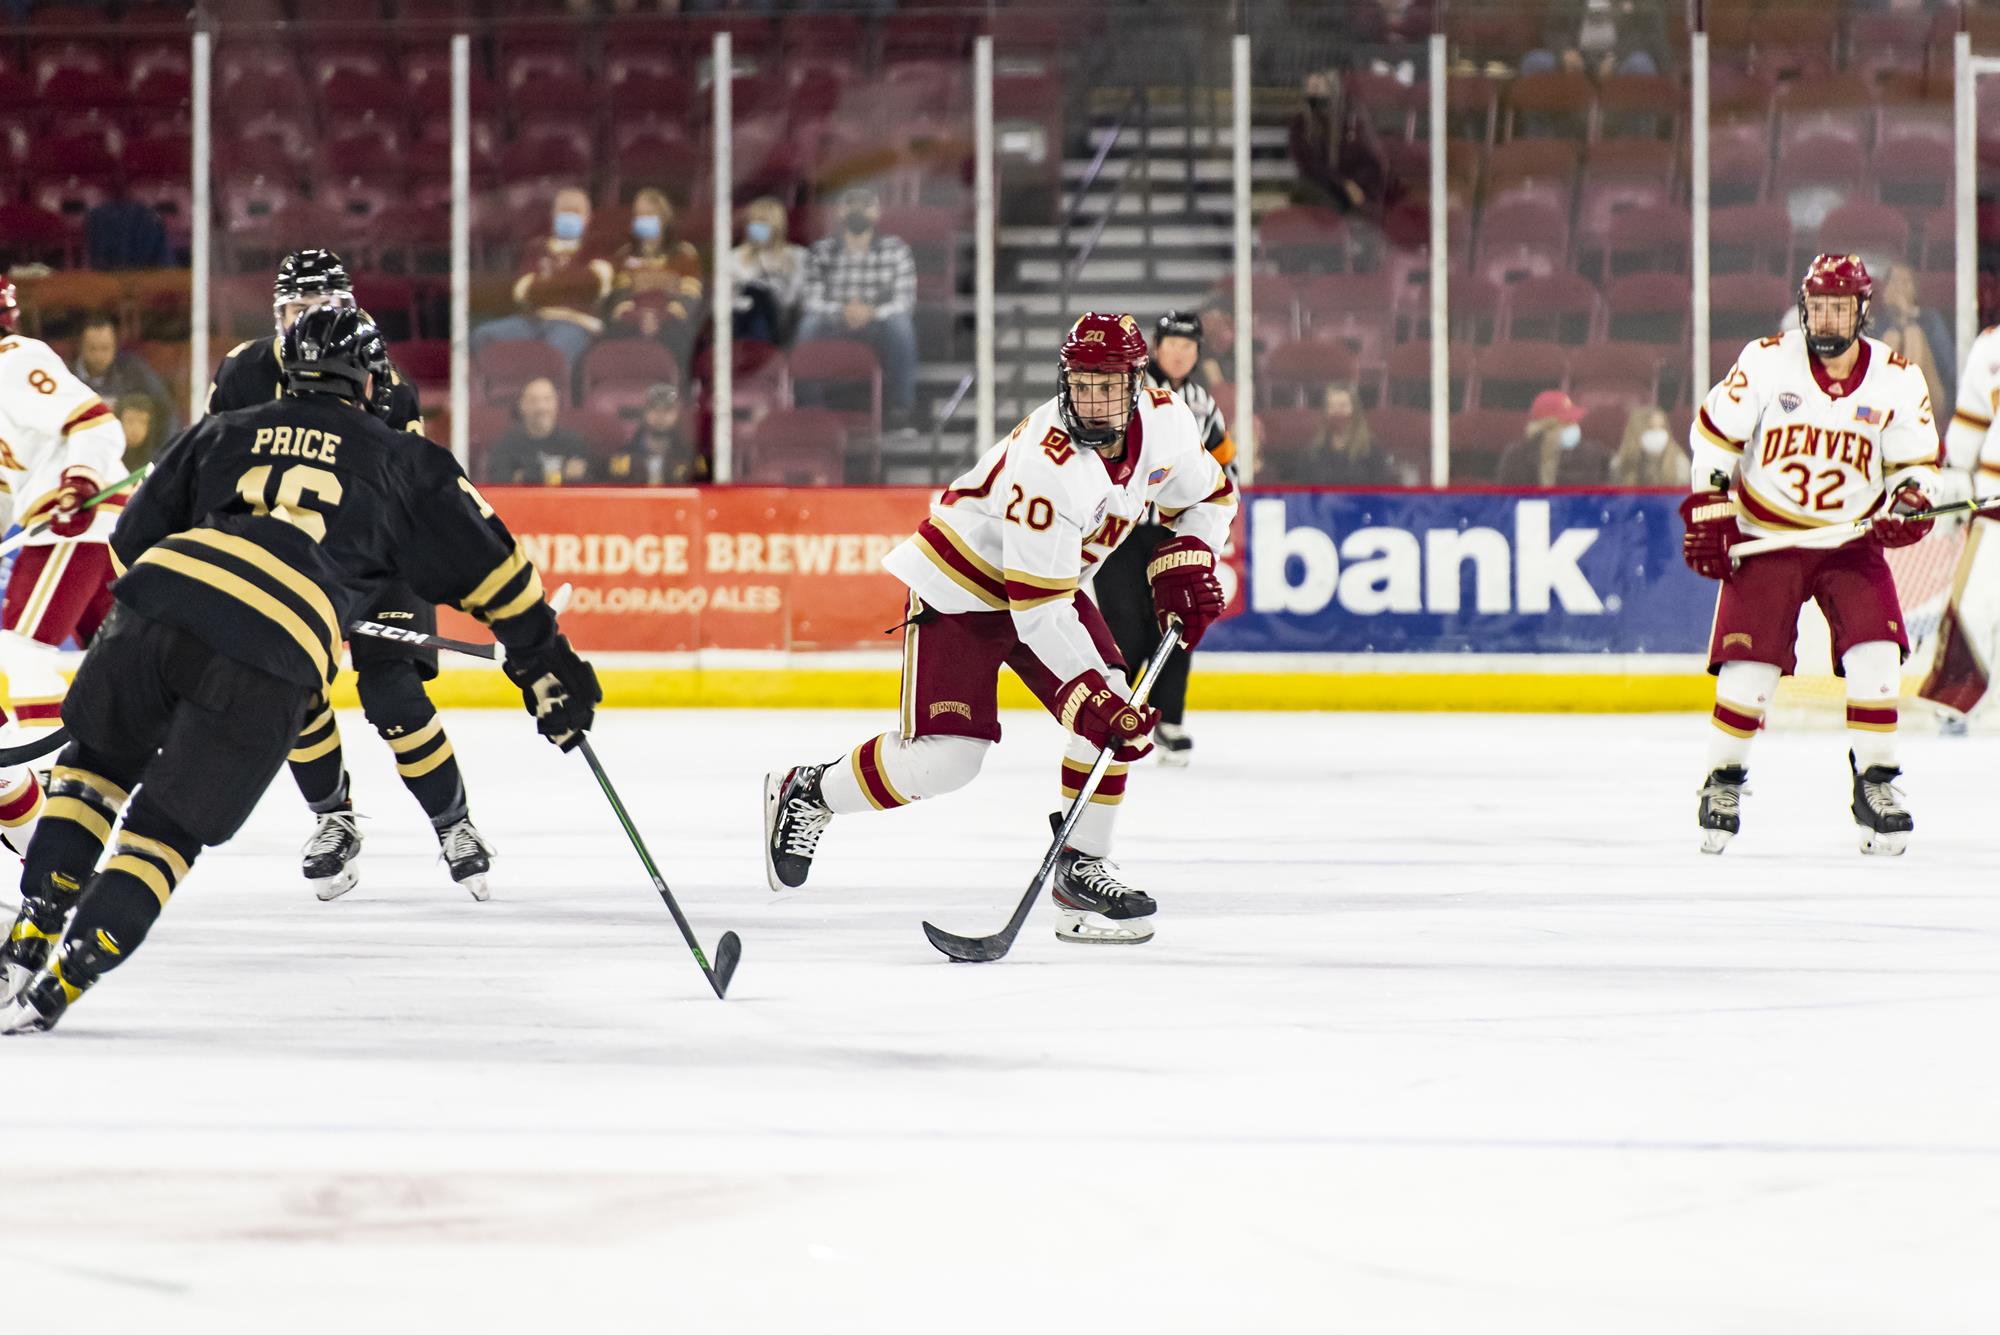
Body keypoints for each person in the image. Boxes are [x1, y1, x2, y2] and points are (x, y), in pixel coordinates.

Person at [0, 307, 600, 1032]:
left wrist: (173, 624)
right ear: (370, 381)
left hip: (157, 610)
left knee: (92, 772)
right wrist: (546, 662)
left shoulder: (225, 427)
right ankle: (63, 983)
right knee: (163, 834)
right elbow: (501, 574)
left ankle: (29, 932)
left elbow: (130, 540)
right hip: (272, 651)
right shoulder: (405, 459)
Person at [761, 313, 1235, 946]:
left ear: (1136, 383)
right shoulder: (1048, 465)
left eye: (1107, 385)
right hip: (963, 587)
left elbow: (1212, 496)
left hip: (1049, 585)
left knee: (1113, 710)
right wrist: (1091, 694)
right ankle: (809, 791)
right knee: (949, 761)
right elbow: (1037, 614)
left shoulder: (1169, 423)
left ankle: (1081, 871)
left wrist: (1189, 556)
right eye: (1081, 384)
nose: (1092, 400)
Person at [209, 250, 498, 902]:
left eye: (323, 307)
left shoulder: (382, 380)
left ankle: (454, 824)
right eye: (297, 308)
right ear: (278, 313)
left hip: (381, 559)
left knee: (394, 695)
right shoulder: (244, 373)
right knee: (291, 688)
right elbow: (213, 473)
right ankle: (332, 819)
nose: (308, 321)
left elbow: (407, 498)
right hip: (290, 560)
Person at [1681, 253, 1940, 856]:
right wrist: (1712, 503)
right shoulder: (1767, 361)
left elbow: (1919, 465)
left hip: (1850, 542)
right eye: (1817, 306)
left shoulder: (1898, 378)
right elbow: (1714, 437)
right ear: (1804, 306)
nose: (1825, 319)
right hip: (1767, 536)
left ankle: (1875, 783)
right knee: (1749, 673)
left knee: (1877, 657)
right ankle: (1723, 781)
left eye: (1838, 307)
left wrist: (1910, 499)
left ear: (1862, 310)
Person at [0, 273, 130, 855]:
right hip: (70, 525)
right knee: (125, 659)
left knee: (20, 649)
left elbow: (95, 421)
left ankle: (57, 781)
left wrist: (80, 482)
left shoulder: (15, 358)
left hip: (76, 521)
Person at [1092, 310, 1236, 767]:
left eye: (1188, 345)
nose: (1179, 352)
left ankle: (1168, 720)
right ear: (1156, 347)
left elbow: (1225, 465)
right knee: (1124, 626)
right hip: (1120, 531)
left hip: (1172, 532)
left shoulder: (1202, 403)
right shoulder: (1127, 392)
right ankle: (1117, 715)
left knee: (1177, 619)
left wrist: (1213, 517)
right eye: (1172, 343)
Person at [1914, 315, 2000, 724]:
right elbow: (1970, 425)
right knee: (1972, 609)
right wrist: (1957, 474)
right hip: (1995, 505)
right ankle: (1953, 706)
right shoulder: (1991, 347)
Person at [798, 186, 918, 427]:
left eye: (865, 206)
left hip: (877, 326)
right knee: (808, 324)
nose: (858, 211)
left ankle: (902, 411)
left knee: (901, 325)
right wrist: (842, 310)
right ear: (840, 211)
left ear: (877, 212)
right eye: (851, 205)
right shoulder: (822, 250)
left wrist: (870, 312)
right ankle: (807, 407)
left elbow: (904, 300)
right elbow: (811, 299)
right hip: (834, 323)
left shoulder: (896, 249)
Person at [470, 186, 616, 378]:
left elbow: (595, 287)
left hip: (576, 323)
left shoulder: (598, 248)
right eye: (564, 211)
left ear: (588, 218)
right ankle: (498, 389)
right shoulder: (536, 248)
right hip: (533, 321)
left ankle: (547, 395)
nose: (569, 217)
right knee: (483, 335)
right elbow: (522, 292)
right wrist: (572, 281)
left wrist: (546, 282)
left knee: (552, 353)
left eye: (575, 212)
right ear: (554, 216)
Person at [605, 187, 703, 365]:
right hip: (631, 321)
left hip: (671, 322)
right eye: (639, 215)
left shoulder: (684, 254)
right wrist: (638, 318)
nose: (643, 220)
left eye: (649, 215)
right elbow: (620, 296)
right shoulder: (624, 255)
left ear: (664, 220)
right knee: (612, 335)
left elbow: (690, 295)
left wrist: (661, 317)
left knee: (682, 337)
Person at [1287, 70, 1385, 215]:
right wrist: (1344, 183)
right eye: (1309, 88)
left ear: (1332, 89)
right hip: (1321, 186)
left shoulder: (1351, 119)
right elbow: (1309, 164)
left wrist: (1358, 185)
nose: (1312, 93)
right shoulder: (1301, 123)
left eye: (1317, 87)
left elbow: (1370, 159)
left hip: (1355, 186)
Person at [70, 313, 179, 437]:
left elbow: (165, 407)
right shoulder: (65, 376)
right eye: (92, 349)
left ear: (115, 347)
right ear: (80, 347)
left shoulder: (133, 370)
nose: (99, 356)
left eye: (105, 348)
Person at [1873, 262, 1953, 417]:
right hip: (1885, 400)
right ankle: (1897, 413)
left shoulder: (1930, 319)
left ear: (1915, 290)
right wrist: (1897, 323)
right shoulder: (1877, 324)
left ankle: (1905, 413)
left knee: (1913, 334)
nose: (1899, 288)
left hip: (1931, 395)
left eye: (1905, 282)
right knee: (1891, 338)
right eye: (1894, 281)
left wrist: (1907, 316)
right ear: (1885, 291)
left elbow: (1948, 367)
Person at [731, 196, 809, 345]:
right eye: (752, 222)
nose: (755, 227)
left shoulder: (798, 256)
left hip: (786, 320)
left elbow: (799, 298)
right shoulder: (734, 257)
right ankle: (759, 349)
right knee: (754, 293)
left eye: (762, 222)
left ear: (776, 225)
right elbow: (725, 301)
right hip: (744, 322)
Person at [483, 376, 591, 485]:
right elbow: (500, 481)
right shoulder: (505, 445)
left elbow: (588, 480)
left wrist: (524, 476)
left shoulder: (574, 442)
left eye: (547, 399)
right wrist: (560, 473)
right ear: (521, 406)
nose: (541, 407)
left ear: (556, 403)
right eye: (533, 401)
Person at [1496, 390, 1613, 487]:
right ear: (1545, 429)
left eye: (1573, 422)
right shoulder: (1517, 457)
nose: (1574, 427)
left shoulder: (1593, 453)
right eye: (1566, 423)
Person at [595, 382, 700, 484]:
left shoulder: (690, 460)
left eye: (667, 410)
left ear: (678, 415)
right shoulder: (622, 459)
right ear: (644, 413)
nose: (660, 416)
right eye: (654, 409)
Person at [1297, 384, 1395, 485]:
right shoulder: (1312, 451)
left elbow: (1381, 488)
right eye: (1332, 407)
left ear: (1355, 411)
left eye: (1343, 406)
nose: (1337, 412)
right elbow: (1302, 489)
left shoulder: (1372, 449)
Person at [1608, 404, 1686, 488]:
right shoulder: (1620, 463)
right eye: (1652, 429)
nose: (1658, 435)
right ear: (1636, 432)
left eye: (1662, 428)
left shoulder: (1678, 461)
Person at [116, 392, 165, 467]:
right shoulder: (108, 457)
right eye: (130, 421)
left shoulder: (156, 462)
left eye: (143, 422)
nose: (136, 429)